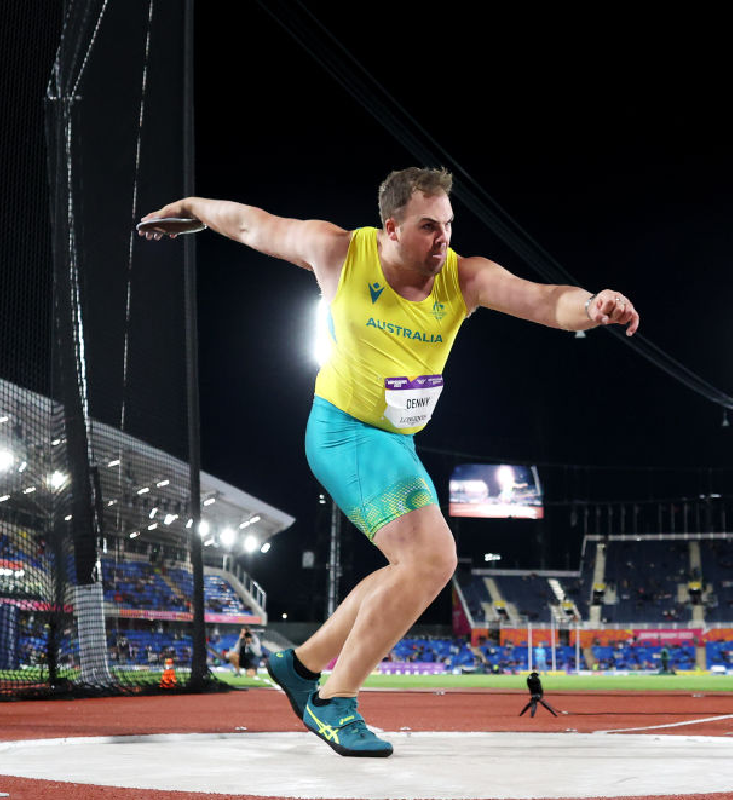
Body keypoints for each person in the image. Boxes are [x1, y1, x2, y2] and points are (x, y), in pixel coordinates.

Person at [140, 167, 639, 757]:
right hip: (342, 430)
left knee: (411, 565)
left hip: (396, 441)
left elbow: (545, 301)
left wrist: (594, 305)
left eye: (449, 225)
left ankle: (301, 668)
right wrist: (192, 206)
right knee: (433, 558)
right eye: (430, 227)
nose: (443, 239)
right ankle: (333, 700)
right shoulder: (338, 252)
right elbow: (252, 225)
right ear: (393, 228)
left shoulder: (464, 278)